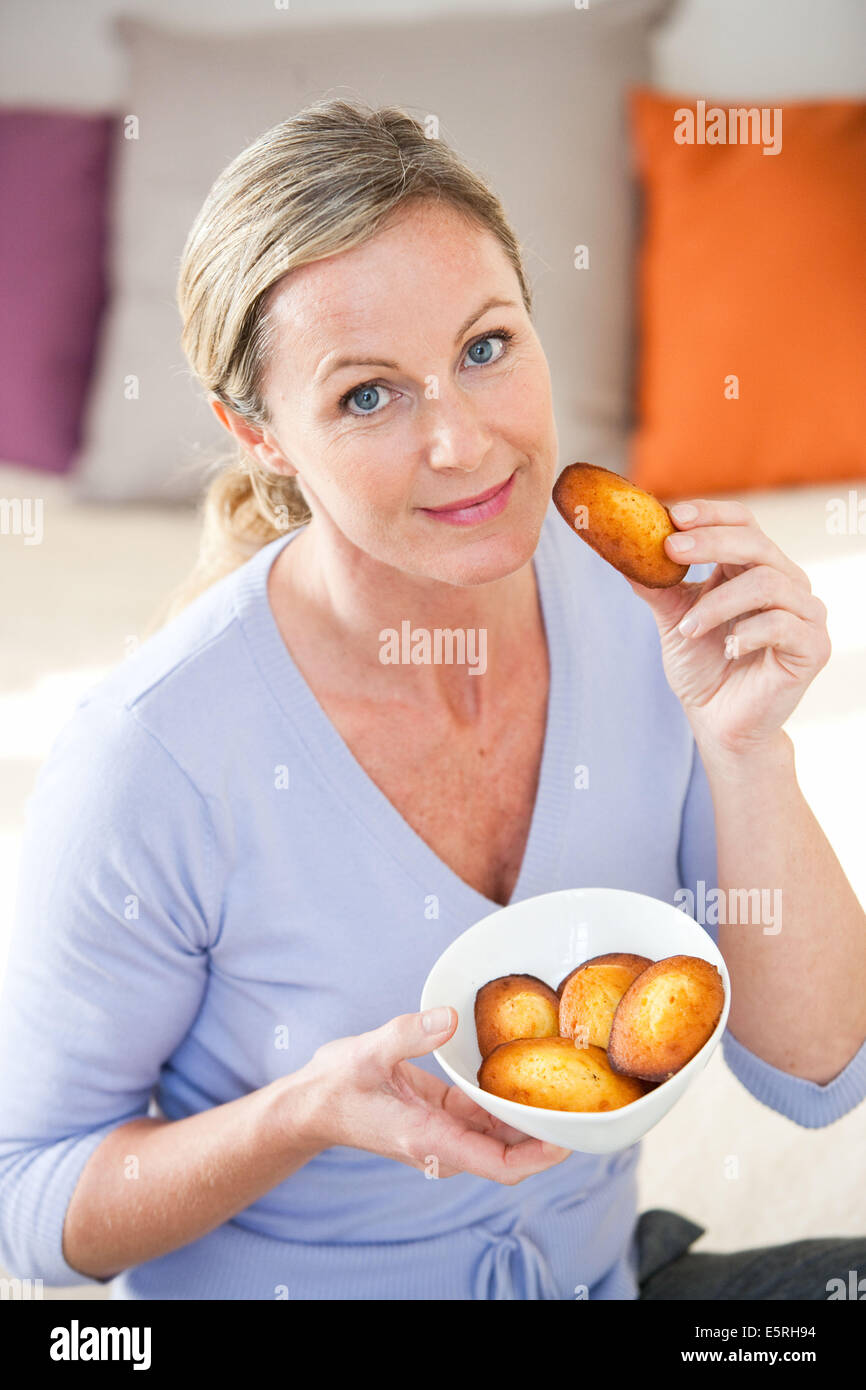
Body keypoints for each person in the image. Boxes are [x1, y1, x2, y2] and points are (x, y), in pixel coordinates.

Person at [0, 99, 864, 1302]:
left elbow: (817, 1073)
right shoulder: (152, 756)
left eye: (484, 346)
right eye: (366, 395)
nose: (462, 441)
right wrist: (298, 1114)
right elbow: (29, 1202)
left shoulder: (646, 608)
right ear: (257, 435)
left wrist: (747, 750)